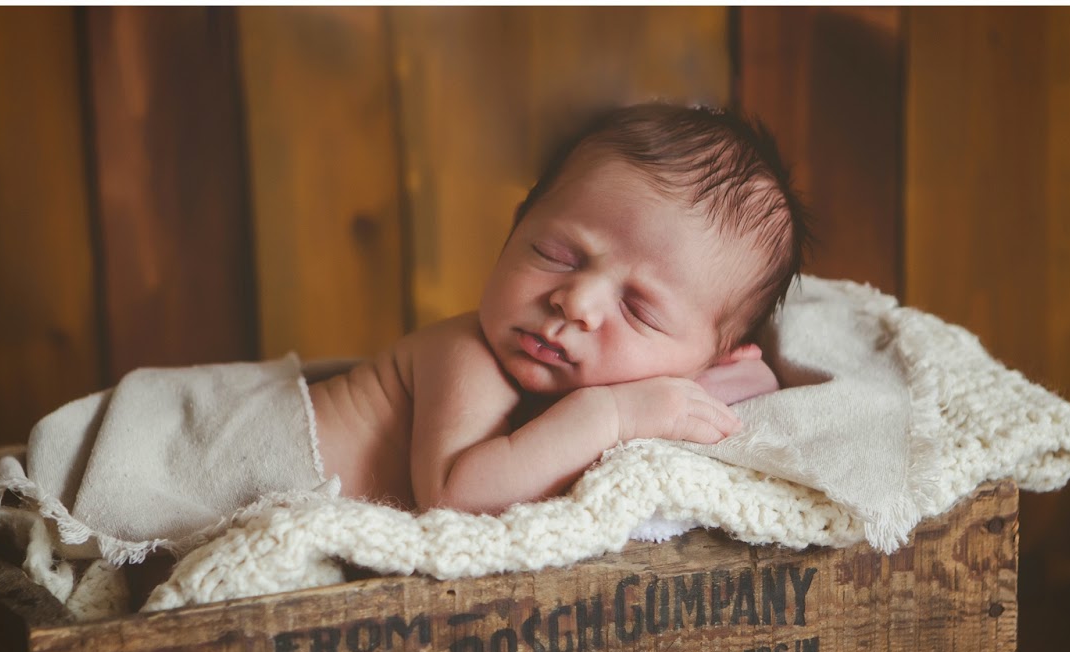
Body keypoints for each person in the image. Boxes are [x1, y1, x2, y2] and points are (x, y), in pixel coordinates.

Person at [309, 101, 810, 515]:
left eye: (639, 311)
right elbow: (455, 499)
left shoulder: (690, 364)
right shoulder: (465, 354)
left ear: (721, 356)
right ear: (515, 229)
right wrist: (611, 415)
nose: (575, 302)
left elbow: (740, 392)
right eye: (556, 255)